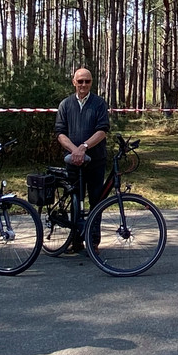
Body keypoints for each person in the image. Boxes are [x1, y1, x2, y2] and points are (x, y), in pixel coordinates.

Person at [54, 68, 110, 248]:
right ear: (74, 82)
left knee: (96, 201)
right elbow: (60, 133)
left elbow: (102, 130)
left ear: (91, 83)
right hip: (73, 162)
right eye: (80, 81)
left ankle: (93, 242)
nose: (83, 85)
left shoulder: (99, 103)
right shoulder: (65, 105)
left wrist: (84, 147)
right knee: (76, 201)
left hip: (96, 161)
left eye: (87, 81)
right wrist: (75, 151)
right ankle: (76, 240)